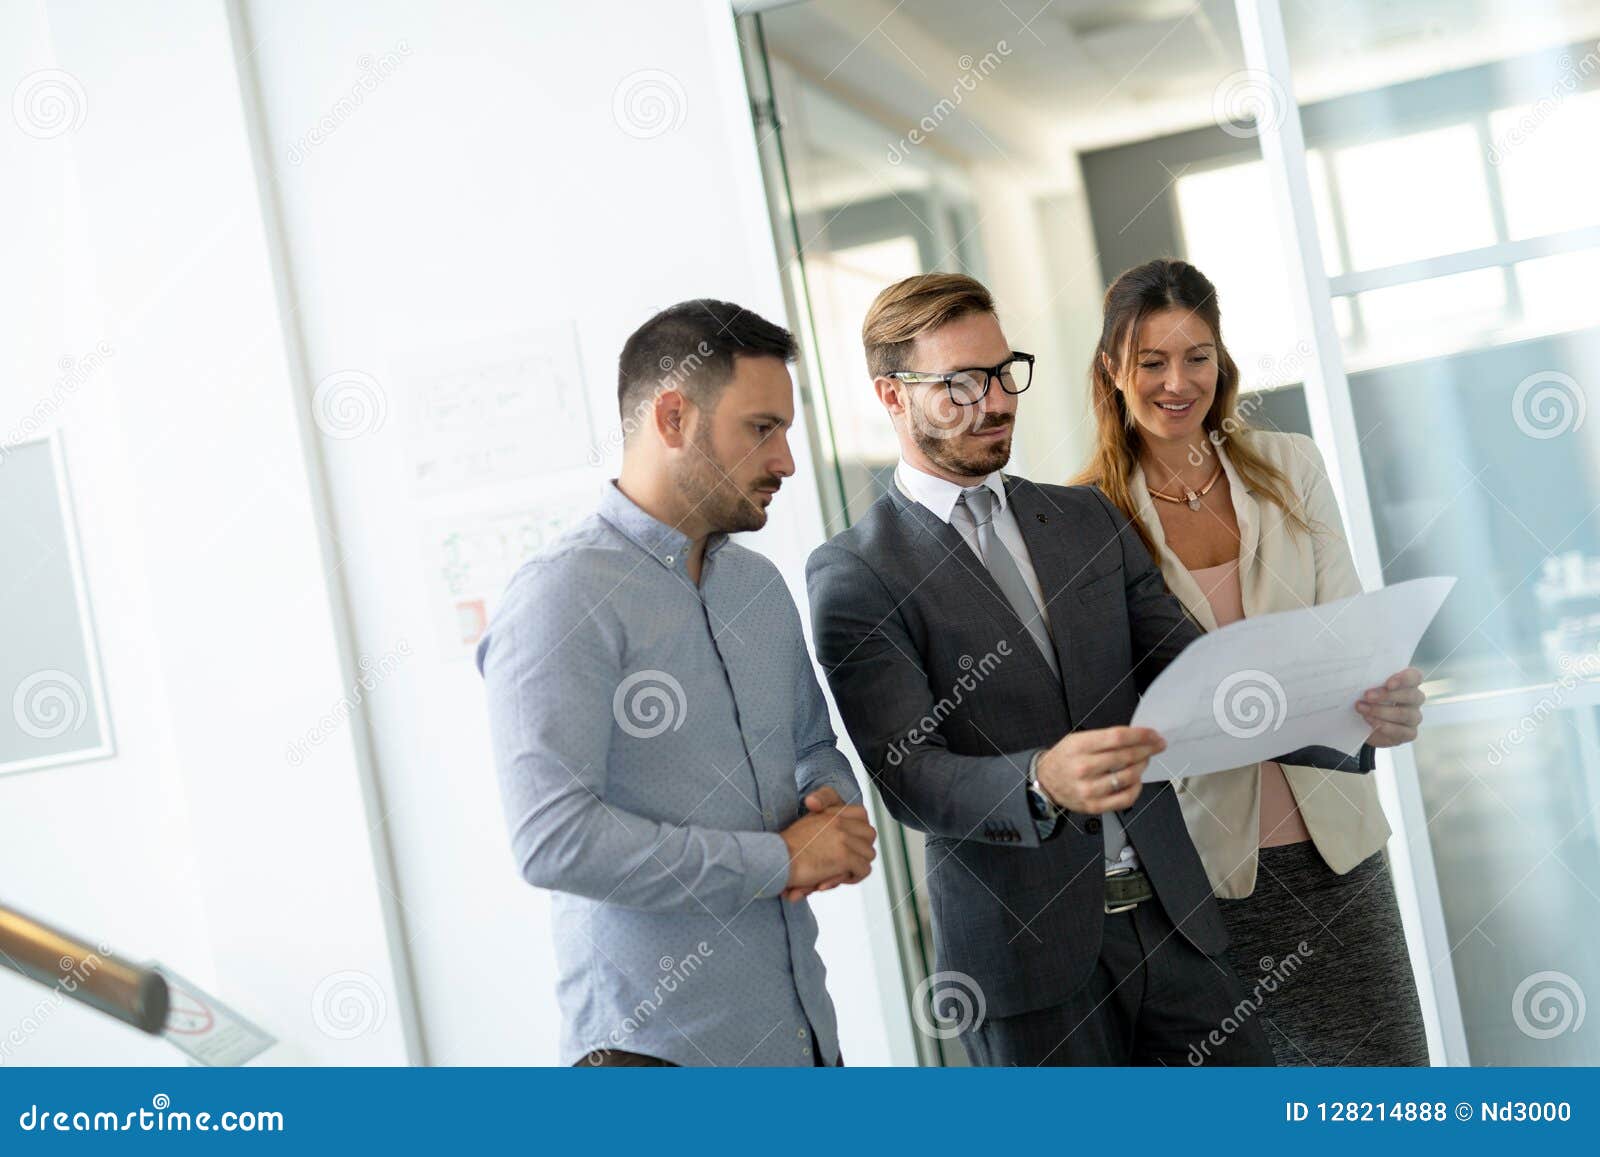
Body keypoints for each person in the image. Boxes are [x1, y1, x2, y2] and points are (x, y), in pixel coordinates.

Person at [807, 272, 1403, 1066]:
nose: (993, 400)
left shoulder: (1083, 519)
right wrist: (1039, 780)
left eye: (1001, 371)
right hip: (1029, 964)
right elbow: (910, 776)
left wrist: (1349, 713)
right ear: (891, 394)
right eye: (958, 383)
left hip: (1177, 925)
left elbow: (1201, 676)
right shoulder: (857, 572)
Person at [477, 299, 876, 1067]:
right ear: (673, 418)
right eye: (762, 429)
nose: (786, 461)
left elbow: (811, 745)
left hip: (803, 1044)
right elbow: (553, 840)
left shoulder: (758, 587)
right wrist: (781, 859)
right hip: (652, 1061)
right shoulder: (561, 597)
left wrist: (834, 806)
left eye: (786, 431)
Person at [1074, 257, 1428, 1065]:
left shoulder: (1291, 467)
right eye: (1150, 361)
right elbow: (1114, 702)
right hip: (1205, 873)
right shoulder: (1087, 514)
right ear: (1112, 371)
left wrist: (1388, 706)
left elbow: (1348, 642)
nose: (1176, 381)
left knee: (1393, 1090)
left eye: (1196, 355)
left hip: (1338, 847)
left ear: (1221, 361)